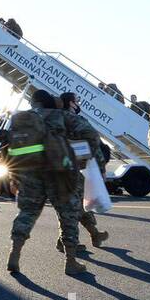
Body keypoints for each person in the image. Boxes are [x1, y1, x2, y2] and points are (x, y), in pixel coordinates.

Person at [5, 90, 87, 277]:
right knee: (68, 215)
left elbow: (11, 150)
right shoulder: (60, 116)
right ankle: (71, 261)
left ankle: (14, 254)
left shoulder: (21, 120)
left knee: (26, 214)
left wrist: (13, 176)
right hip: (58, 173)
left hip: (29, 174)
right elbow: (86, 136)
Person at [58, 92, 109, 251]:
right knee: (73, 207)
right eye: (77, 100)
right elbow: (94, 144)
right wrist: (101, 168)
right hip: (76, 169)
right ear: (71, 103)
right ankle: (68, 245)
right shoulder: (77, 121)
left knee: (73, 205)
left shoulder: (53, 120)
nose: (79, 103)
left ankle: (94, 234)